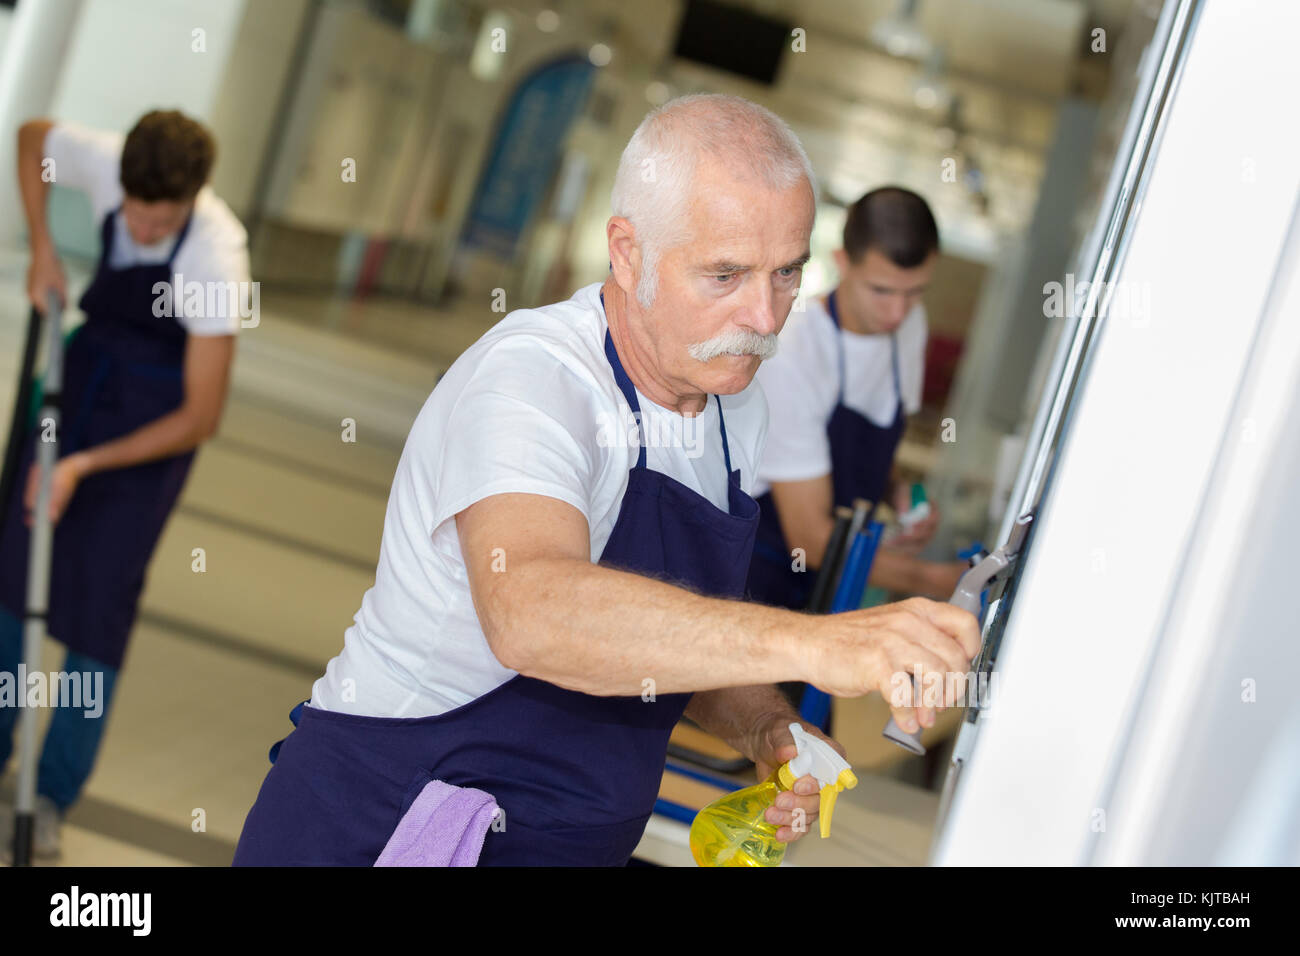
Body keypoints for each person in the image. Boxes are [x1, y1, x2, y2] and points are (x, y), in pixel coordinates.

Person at [233, 94, 979, 867]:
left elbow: (665, 640)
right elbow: (534, 613)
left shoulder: (733, 410)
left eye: (787, 272)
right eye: (724, 274)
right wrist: (815, 644)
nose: (763, 314)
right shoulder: (535, 379)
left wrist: (767, 726)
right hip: (391, 826)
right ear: (627, 252)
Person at [0, 110, 249, 857]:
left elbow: (202, 414)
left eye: (160, 215)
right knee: (13, 574)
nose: (140, 226)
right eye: (133, 208)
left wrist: (82, 466)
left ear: (194, 199)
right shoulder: (113, 162)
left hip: (153, 427)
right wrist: (43, 247)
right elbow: (32, 137)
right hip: (78, 383)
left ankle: (50, 795)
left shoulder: (217, 254)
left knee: (99, 608)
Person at [746, 187, 968, 612]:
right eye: (881, 290)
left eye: (916, 291)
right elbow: (809, 536)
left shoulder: (909, 326)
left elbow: (866, 451)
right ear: (842, 262)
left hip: (835, 577)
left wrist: (900, 493)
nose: (898, 313)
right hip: (763, 570)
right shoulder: (794, 350)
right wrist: (937, 580)